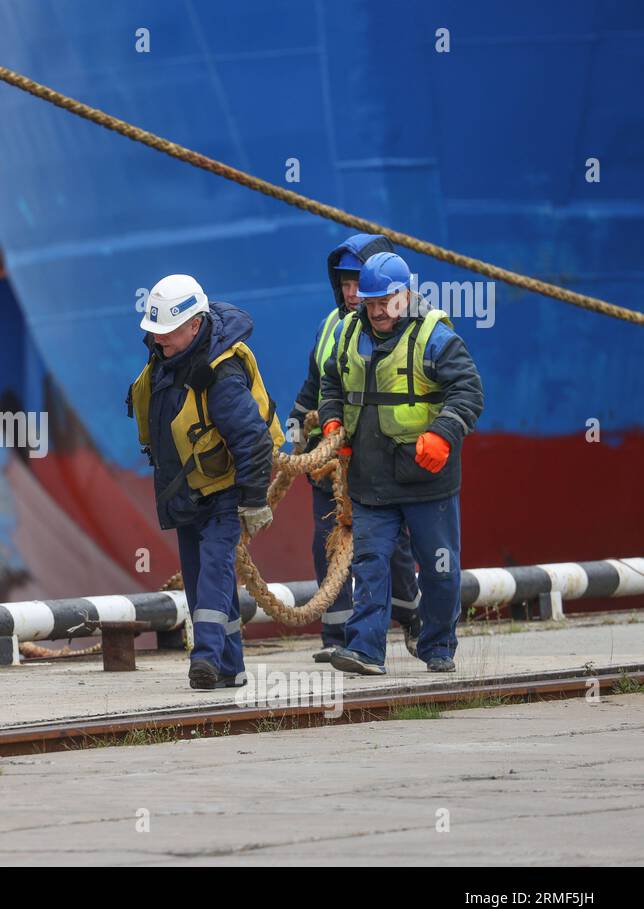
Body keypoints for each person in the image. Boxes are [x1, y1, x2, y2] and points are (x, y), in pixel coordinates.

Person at [318, 252, 484, 675]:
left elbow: (468, 391)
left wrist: (443, 433)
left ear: (405, 296)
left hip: (427, 479)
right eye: (369, 303)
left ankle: (438, 645)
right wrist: (332, 418)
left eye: (385, 303)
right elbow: (331, 381)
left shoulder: (435, 337)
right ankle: (366, 650)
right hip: (371, 478)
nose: (376, 312)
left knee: (439, 567)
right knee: (369, 563)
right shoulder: (348, 335)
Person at [127, 275, 284, 689]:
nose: (158, 340)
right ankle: (231, 668)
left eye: (167, 332)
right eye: (155, 331)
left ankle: (205, 660)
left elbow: (252, 439)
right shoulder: (166, 359)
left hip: (224, 493)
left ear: (195, 326)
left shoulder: (221, 373)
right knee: (199, 580)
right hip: (187, 491)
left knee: (214, 572)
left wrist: (253, 501)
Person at [289, 235, 423, 663]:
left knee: (387, 547)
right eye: (344, 283)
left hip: (373, 459)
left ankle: (412, 617)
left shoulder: (400, 331)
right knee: (324, 543)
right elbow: (316, 385)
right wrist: (298, 434)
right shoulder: (332, 326)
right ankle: (337, 638)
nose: (350, 293)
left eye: (356, 283)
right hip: (330, 458)